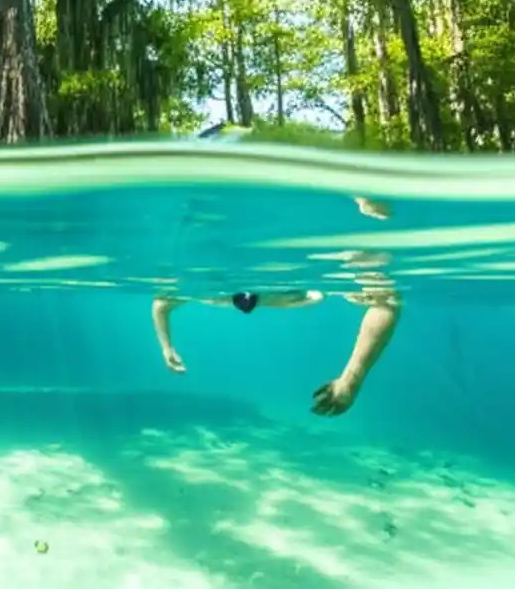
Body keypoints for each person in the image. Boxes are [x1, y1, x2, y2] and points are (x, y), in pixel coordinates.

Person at [154, 120, 400, 416]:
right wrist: (350, 381)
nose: (245, 299)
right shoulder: (229, 275)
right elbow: (162, 304)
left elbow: (162, 303)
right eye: (247, 300)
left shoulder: (207, 267)